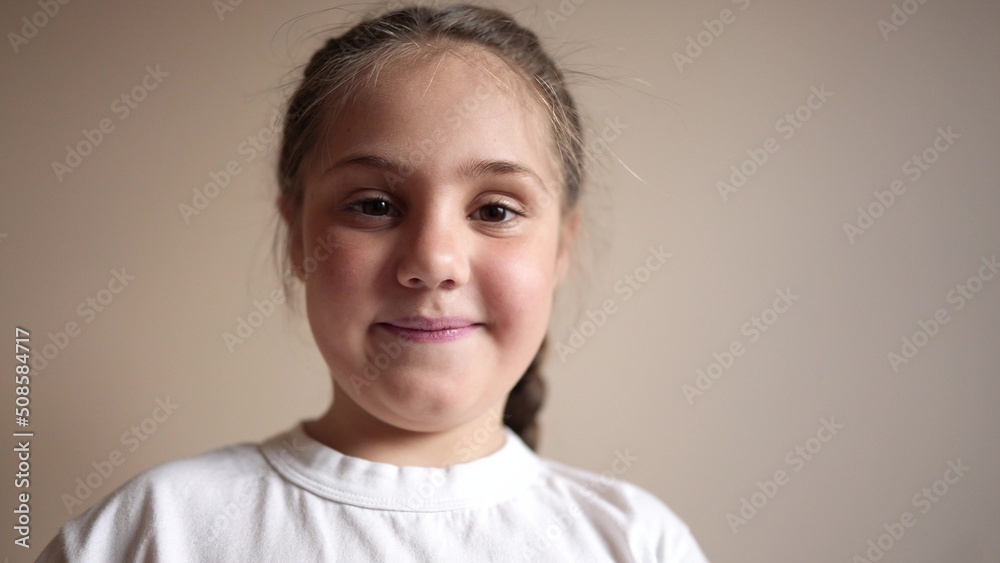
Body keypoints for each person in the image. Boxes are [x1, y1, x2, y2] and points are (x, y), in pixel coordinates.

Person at [38, 4, 708, 561]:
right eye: (374, 205)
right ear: (299, 235)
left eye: (495, 210)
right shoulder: (150, 531)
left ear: (561, 246)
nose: (433, 259)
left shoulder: (636, 542)